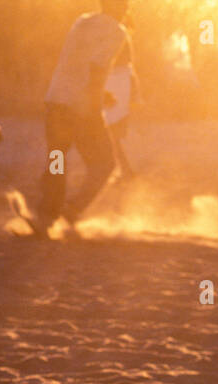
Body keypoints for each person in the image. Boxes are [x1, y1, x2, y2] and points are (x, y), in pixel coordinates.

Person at [35, 0, 131, 234]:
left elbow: (77, 64)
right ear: (124, 6)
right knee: (105, 164)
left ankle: (47, 214)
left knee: (57, 156)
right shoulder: (117, 32)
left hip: (57, 100)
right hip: (81, 108)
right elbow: (97, 70)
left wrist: (98, 93)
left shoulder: (81, 21)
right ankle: (72, 209)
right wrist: (94, 105)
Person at [104, 10, 141, 181]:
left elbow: (128, 67)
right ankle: (122, 169)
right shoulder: (119, 36)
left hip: (116, 83)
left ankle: (122, 169)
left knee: (112, 130)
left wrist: (135, 93)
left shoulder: (119, 36)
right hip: (116, 82)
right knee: (112, 130)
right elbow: (129, 68)